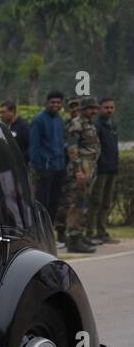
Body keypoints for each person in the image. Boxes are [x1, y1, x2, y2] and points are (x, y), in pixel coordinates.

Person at [59, 97, 100, 253]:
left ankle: (79, 234)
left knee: (83, 203)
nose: (94, 111)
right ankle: (73, 239)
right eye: (90, 108)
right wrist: (77, 170)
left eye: (95, 108)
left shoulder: (88, 124)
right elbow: (72, 149)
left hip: (88, 168)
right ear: (83, 109)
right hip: (80, 170)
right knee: (76, 204)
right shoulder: (76, 124)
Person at [29, 91, 67, 242]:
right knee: (42, 203)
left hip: (59, 167)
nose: (56, 105)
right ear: (47, 103)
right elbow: (34, 146)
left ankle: (48, 235)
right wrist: (39, 167)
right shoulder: (39, 120)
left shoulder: (59, 120)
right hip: (45, 168)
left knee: (54, 203)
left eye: (58, 103)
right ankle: (38, 234)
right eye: (53, 102)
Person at [88, 98, 118, 245]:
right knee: (96, 201)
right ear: (100, 108)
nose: (109, 110)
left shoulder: (113, 125)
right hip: (100, 170)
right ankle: (90, 232)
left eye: (111, 107)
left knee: (106, 201)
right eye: (106, 107)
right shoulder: (96, 125)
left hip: (112, 168)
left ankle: (102, 231)